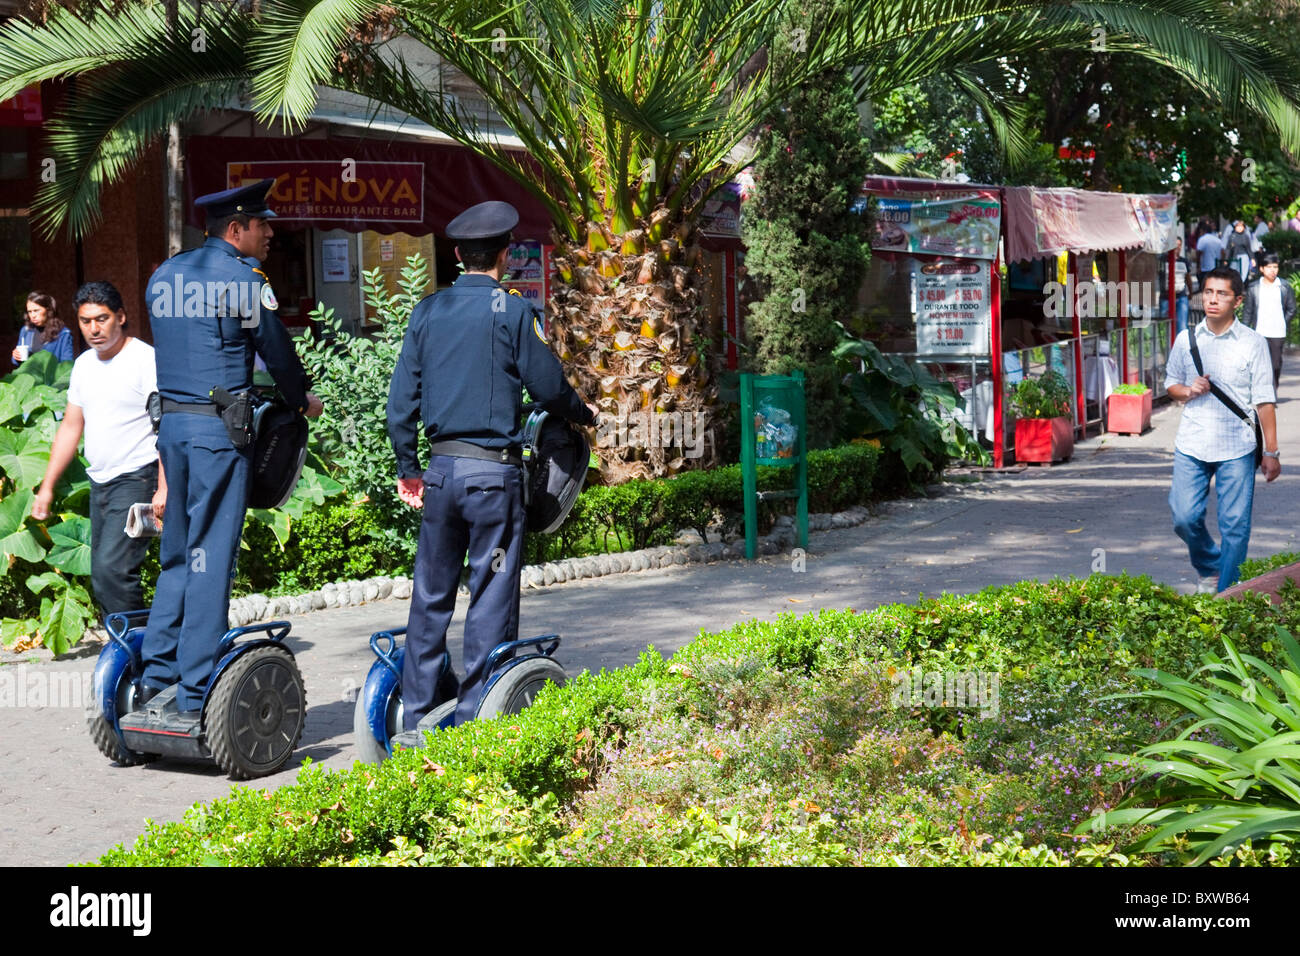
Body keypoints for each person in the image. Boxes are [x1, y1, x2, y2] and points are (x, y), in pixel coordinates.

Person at [387, 200, 598, 731]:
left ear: (458, 255)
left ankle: (413, 717)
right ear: (505, 255)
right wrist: (583, 415)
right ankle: (476, 719)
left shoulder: (427, 311)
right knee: (490, 596)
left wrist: (408, 466)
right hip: (492, 480)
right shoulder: (513, 311)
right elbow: (549, 387)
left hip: (439, 476)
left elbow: (399, 404)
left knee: (430, 596)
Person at [138, 178, 323, 725]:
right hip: (218, 436)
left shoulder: (164, 277)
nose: (270, 233)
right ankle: (197, 693)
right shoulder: (243, 282)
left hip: (172, 430)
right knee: (211, 555)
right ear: (236, 229)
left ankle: (156, 675)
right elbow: (278, 352)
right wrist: (301, 400)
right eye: (262, 224)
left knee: (178, 553)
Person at [31, 281, 165, 616]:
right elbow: (71, 427)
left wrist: (164, 486)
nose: (94, 328)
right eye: (86, 321)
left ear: (120, 316)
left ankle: (143, 653)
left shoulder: (145, 360)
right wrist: (46, 488)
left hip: (138, 477)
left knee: (113, 571)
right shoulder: (84, 365)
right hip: (100, 481)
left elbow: (167, 428)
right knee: (104, 574)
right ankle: (130, 654)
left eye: (102, 319)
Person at [1165, 266, 1280, 594]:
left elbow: (1265, 400)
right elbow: (1170, 383)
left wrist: (1271, 451)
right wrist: (1188, 390)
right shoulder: (1185, 339)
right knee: (1183, 516)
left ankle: (1227, 597)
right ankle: (1209, 566)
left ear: (1238, 300)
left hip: (1237, 447)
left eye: (1222, 294)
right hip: (1192, 442)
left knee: (1235, 528)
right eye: (1209, 292)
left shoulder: (1253, 343)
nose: (1213, 300)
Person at [1242, 252, 1295, 391]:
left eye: (1275, 267)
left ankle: (1274, 386)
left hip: (1278, 331)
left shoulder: (1283, 286)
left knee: (1276, 364)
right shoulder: (1254, 287)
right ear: (1261, 269)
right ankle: (1265, 392)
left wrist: (1283, 321)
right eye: (1269, 267)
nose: (1273, 270)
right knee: (1261, 364)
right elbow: (1248, 311)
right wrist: (1244, 329)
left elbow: (1292, 308)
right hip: (1259, 331)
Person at [17, 291, 74, 364]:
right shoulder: (26, 330)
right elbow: (19, 360)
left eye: (36, 310)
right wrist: (16, 357)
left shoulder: (63, 334)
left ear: (48, 310)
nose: (33, 315)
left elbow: (67, 365)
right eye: (29, 312)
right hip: (28, 374)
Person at [1171, 236, 1192, 335]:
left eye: (1179, 246)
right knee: (1166, 325)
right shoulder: (1163, 260)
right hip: (1166, 296)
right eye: (1176, 245)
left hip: (1181, 295)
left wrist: (1190, 292)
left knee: (1182, 326)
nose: (1177, 248)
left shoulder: (1184, 262)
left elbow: (1188, 278)